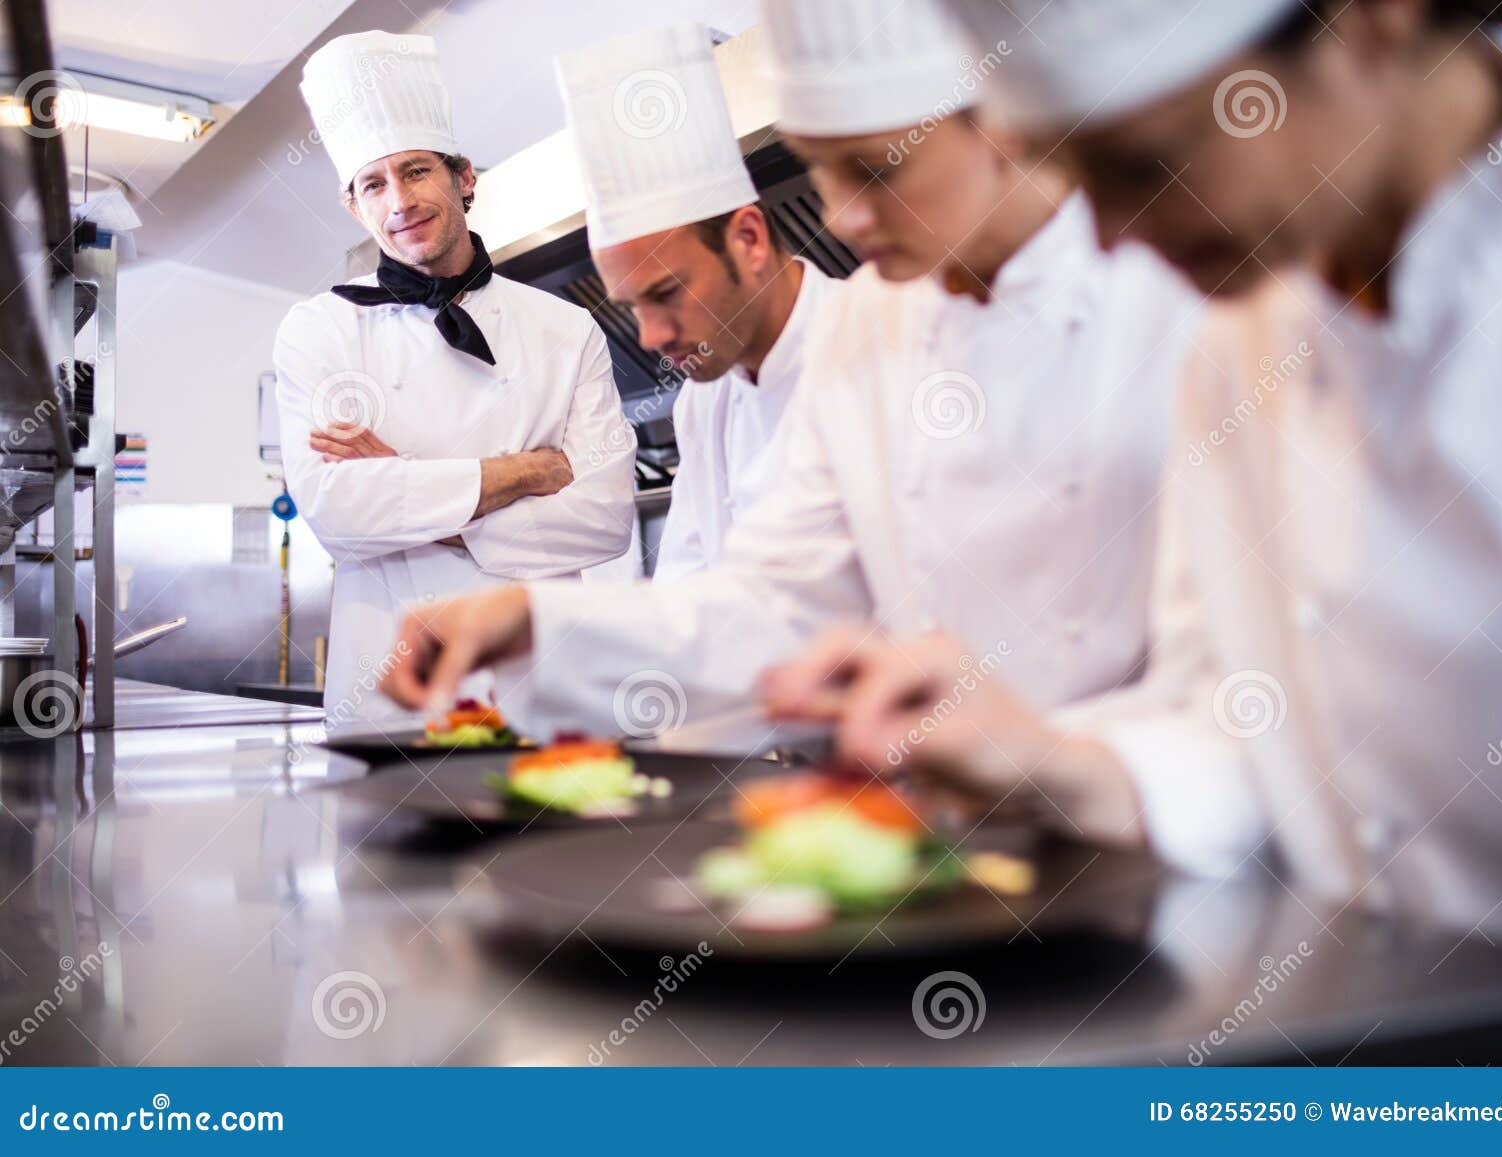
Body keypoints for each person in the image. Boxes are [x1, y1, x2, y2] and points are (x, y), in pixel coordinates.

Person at [782, 0, 1502, 944]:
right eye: (1069, 173)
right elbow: (1239, 716)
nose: (1109, 240)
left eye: (1145, 164)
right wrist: (1051, 762)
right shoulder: (1236, 342)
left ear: (1374, 19)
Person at [379, 0, 1193, 760]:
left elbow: (1238, 673)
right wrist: (535, 621)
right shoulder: (874, 318)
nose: (840, 217)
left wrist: (1052, 758)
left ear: (1002, 128)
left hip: (1152, 843)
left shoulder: (1174, 287)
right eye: (822, 171)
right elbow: (777, 600)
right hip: (937, 825)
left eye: (874, 171)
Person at [274, 31, 636, 726]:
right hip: (385, 699)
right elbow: (338, 513)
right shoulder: (318, 328)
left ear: (464, 177)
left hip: (538, 691)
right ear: (354, 207)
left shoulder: (566, 329)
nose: (398, 200)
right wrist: (528, 472)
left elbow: (606, 518)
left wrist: (408, 487)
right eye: (373, 184)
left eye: (415, 172)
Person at [556, 23, 838, 580]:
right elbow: (688, 587)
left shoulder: (874, 354)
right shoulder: (702, 402)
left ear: (749, 239)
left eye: (665, 293)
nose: (650, 338)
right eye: (631, 306)